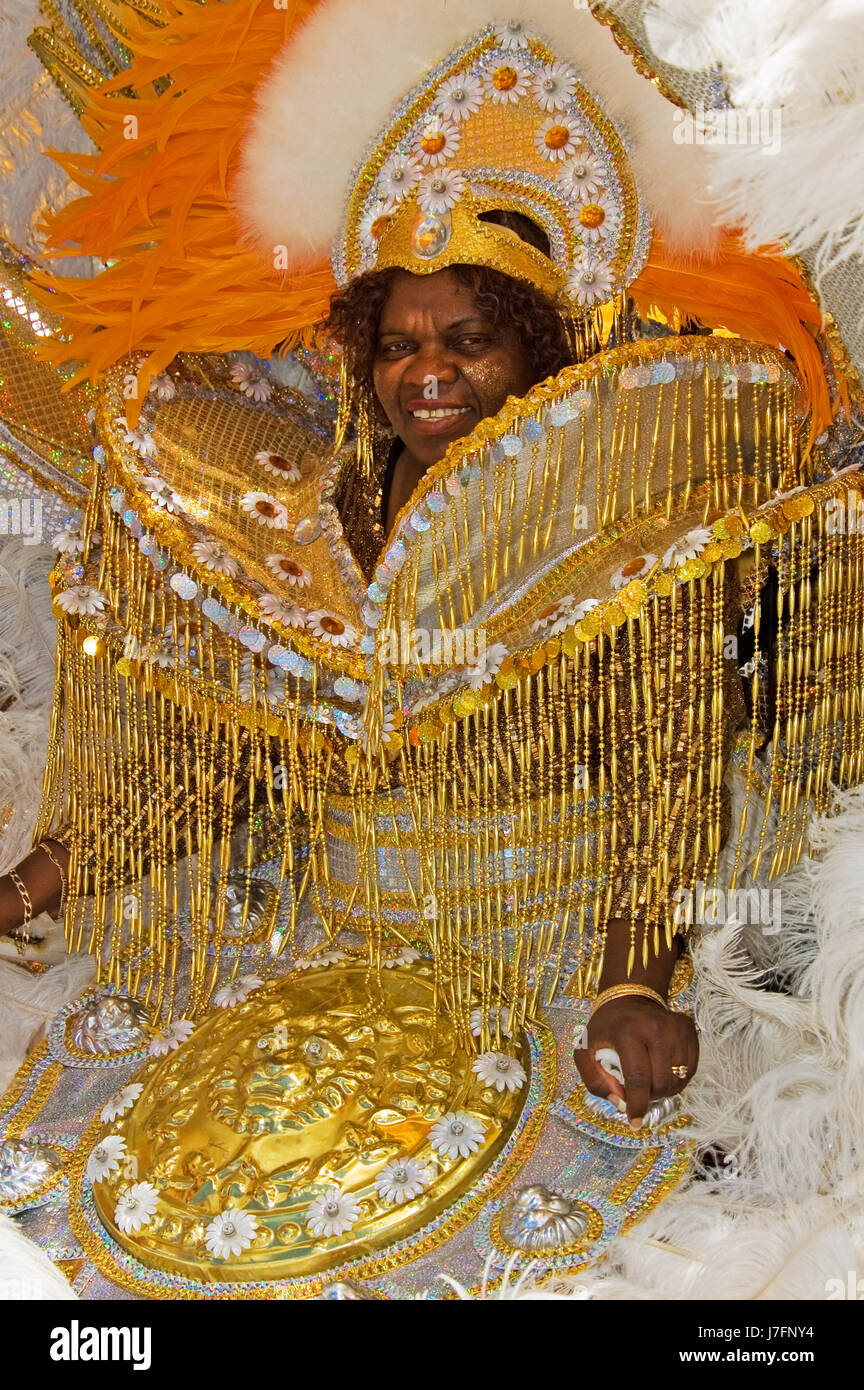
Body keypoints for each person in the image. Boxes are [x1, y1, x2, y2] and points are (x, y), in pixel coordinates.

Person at [0, 0, 861, 1300]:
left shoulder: (636, 508)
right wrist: (42, 874)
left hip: (545, 951)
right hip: (306, 942)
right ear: (358, 351)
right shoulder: (288, 501)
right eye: (400, 342)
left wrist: (637, 978)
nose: (431, 373)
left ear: (539, 344)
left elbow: (668, 778)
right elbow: (227, 753)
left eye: (470, 339)